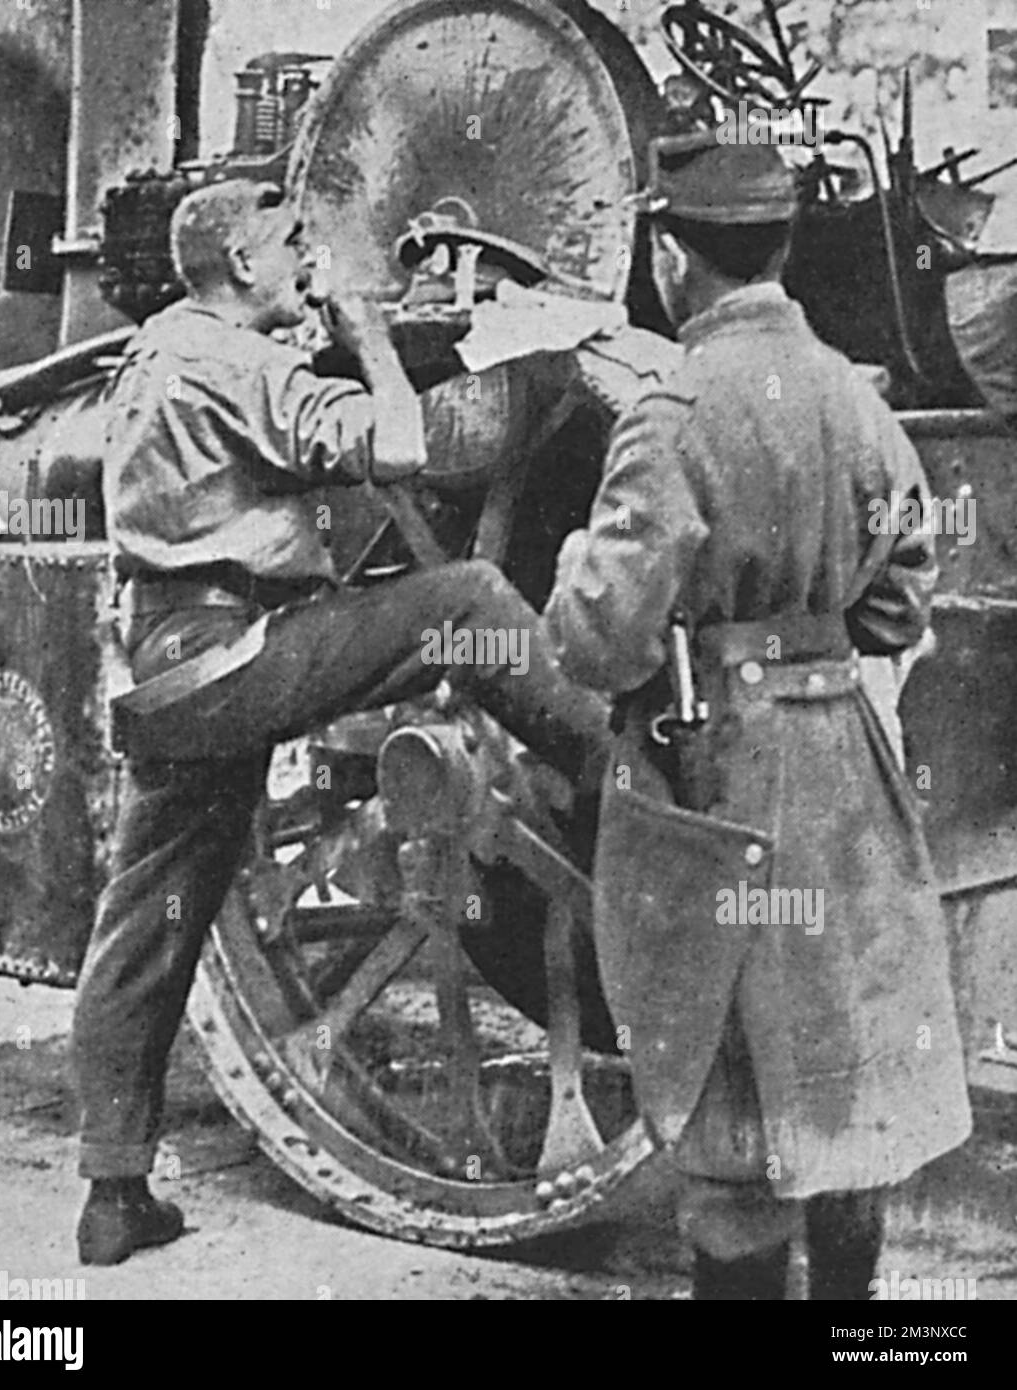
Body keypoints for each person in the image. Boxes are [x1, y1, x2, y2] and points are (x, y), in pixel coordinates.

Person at [72, 178, 608, 1266]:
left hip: (168, 668)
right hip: (238, 658)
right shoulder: (240, 361)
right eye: (287, 246)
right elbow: (401, 449)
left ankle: (112, 1192)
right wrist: (366, 329)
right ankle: (615, 766)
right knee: (462, 597)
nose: (305, 262)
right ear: (236, 265)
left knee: (144, 925)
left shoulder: (157, 349)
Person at [544, 134, 972, 1301]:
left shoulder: (668, 411)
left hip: (712, 775)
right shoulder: (850, 392)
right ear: (776, 247)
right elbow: (897, 596)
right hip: (844, 766)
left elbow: (601, 636)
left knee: (730, 1098)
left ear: (669, 257)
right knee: (840, 1082)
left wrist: (574, 561)